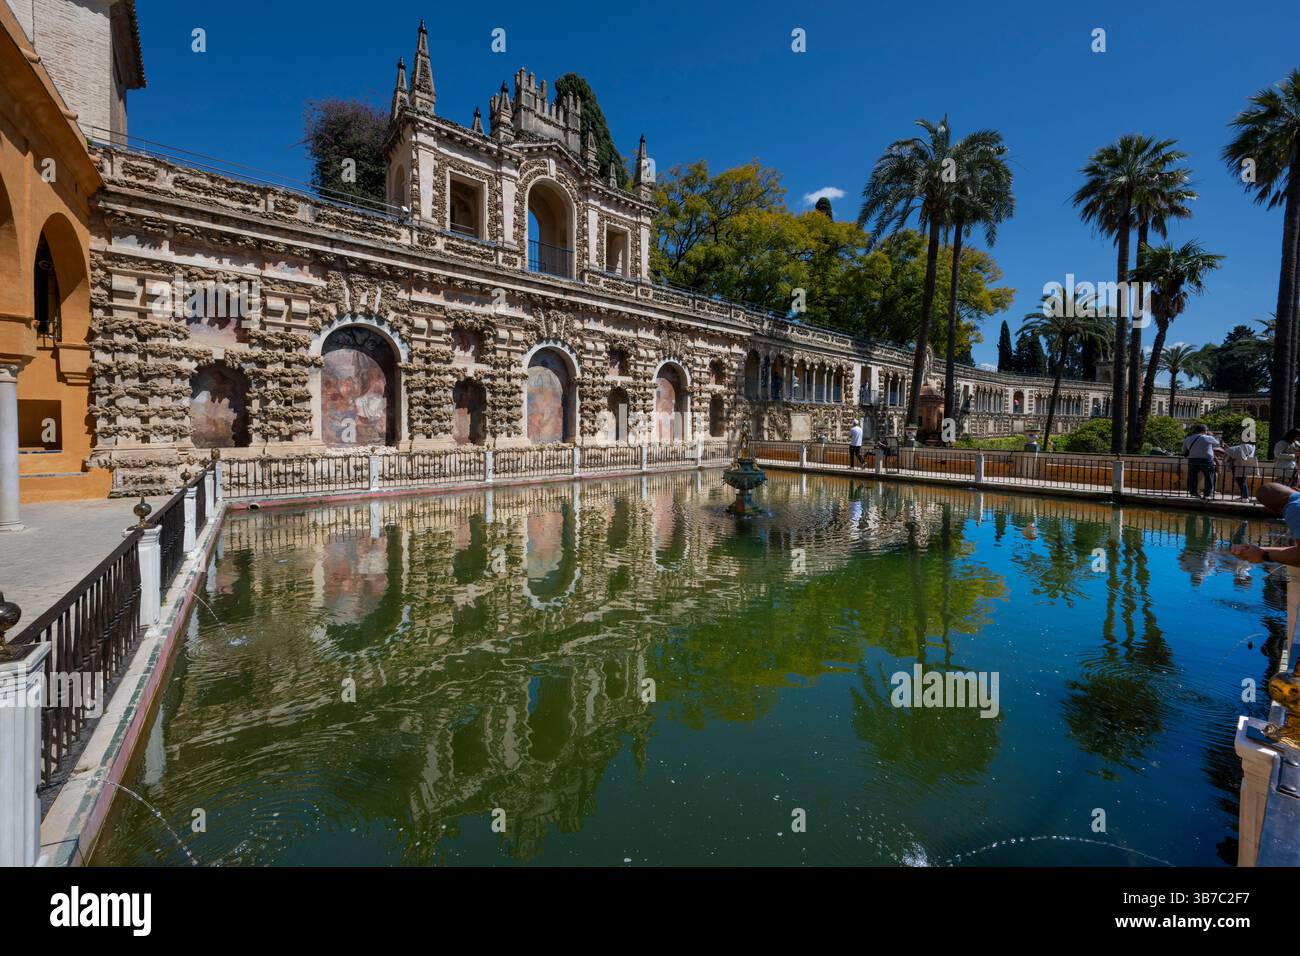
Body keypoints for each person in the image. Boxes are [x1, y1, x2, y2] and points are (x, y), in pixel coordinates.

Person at [1231, 482, 1300, 566]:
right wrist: (1260, 550)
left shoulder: (1294, 508)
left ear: (1270, 508)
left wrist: (1264, 555)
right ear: (1295, 489)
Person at [1181, 423, 1222, 499]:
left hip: (1192, 460)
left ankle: (1193, 493)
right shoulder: (1208, 438)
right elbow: (1218, 445)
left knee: (1192, 477)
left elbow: (1184, 450)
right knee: (1209, 477)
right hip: (1206, 460)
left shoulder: (1188, 438)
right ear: (1204, 430)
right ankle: (1207, 494)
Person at [1222, 436, 1258, 501]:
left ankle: (1245, 497)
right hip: (1246, 466)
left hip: (1238, 466)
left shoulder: (1239, 447)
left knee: (1241, 482)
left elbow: (1230, 456)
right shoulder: (1252, 447)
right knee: (1243, 481)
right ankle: (1244, 496)